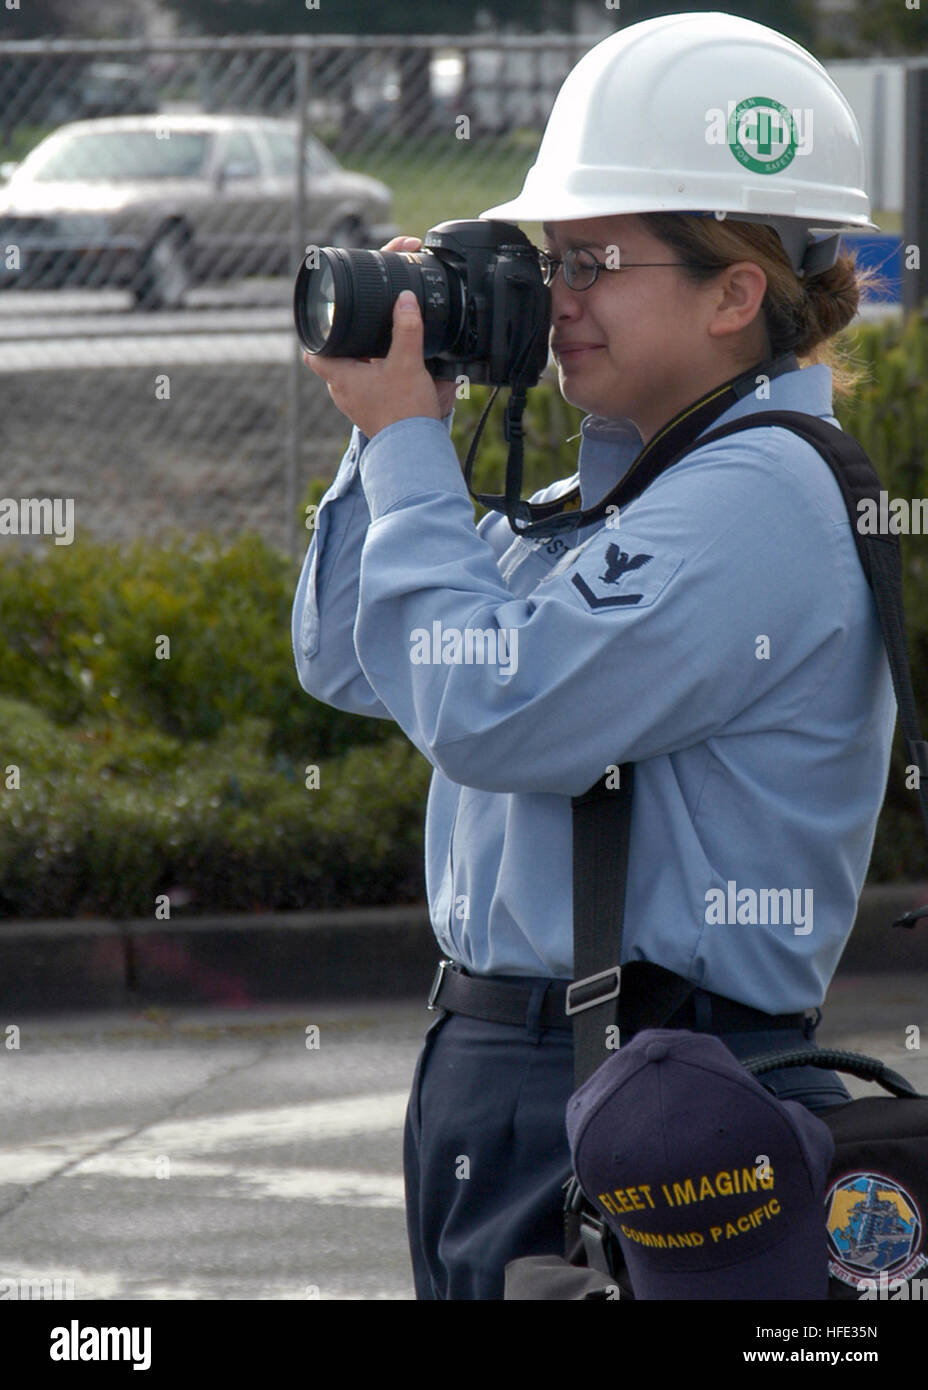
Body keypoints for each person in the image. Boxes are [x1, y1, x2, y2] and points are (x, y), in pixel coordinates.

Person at [291, 12, 896, 1300]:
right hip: (520, 1061)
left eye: (594, 263)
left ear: (737, 291)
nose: (554, 300)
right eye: (548, 261)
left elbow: (489, 709)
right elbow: (352, 659)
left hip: (647, 1074)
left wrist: (407, 451)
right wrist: (394, 415)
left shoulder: (759, 499)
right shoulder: (621, 489)